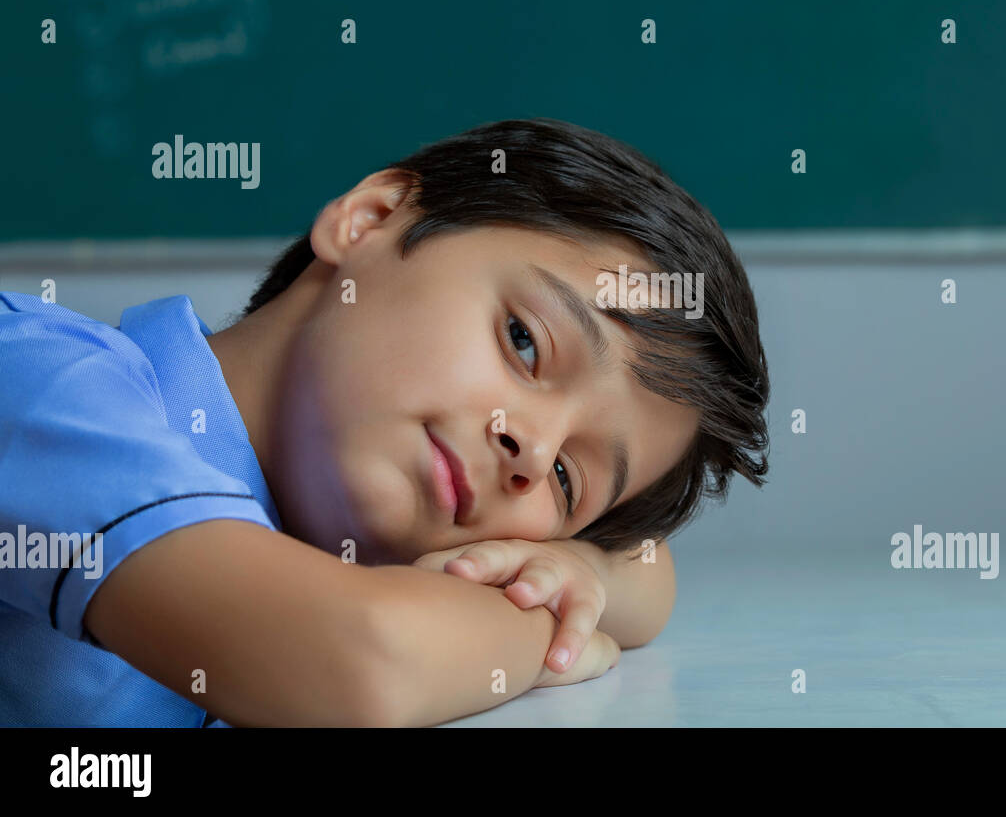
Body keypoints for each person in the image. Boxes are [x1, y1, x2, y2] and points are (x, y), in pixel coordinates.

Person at [0, 117, 770, 726]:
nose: (531, 449)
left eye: (568, 480)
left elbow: (646, 570)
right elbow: (360, 660)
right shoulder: (46, 380)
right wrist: (554, 631)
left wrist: (585, 573)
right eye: (524, 340)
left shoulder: (344, 547)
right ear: (370, 219)